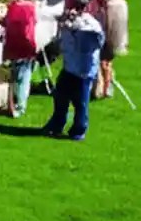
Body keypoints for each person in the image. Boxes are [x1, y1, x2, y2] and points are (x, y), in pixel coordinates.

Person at [44, 10, 105, 141]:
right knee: (60, 96)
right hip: (70, 67)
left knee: (80, 103)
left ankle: (79, 130)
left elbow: (92, 38)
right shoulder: (70, 24)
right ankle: (56, 125)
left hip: (83, 71)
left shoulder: (90, 26)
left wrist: (72, 26)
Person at [2, 0, 38, 117]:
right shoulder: (31, 7)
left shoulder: (12, 7)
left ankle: (15, 103)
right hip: (26, 46)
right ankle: (19, 105)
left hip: (14, 46)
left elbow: (5, 22)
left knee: (16, 76)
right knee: (24, 77)